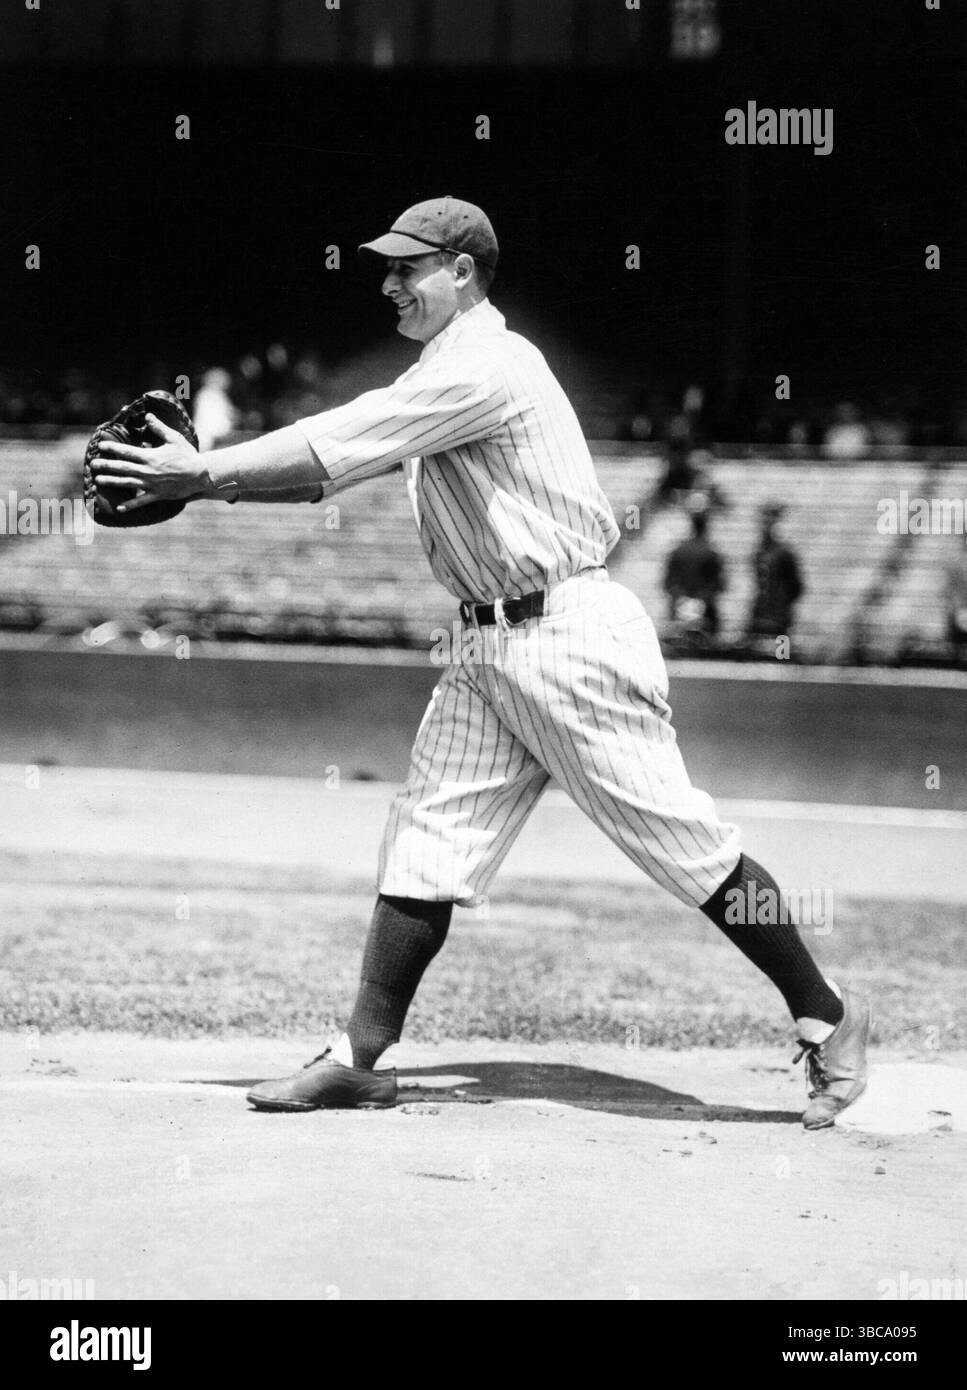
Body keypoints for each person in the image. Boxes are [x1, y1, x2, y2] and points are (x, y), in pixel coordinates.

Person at [93, 196, 869, 1129]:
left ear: (461, 272)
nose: (386, 282)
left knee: (683, 847)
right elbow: (326, 473)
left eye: (406, 267)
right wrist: (213, 486)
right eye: (384, 267)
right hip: (483, 643)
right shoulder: (444, 370)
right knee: (426, 839)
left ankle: (828, 1017)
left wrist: (204, 472)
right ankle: (358, 1059)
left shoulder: (488, 365)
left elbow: (338, 437)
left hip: (565, 635)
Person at [662, 493, 726, 641]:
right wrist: (699, 603)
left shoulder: (679, 550)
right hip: (704, 617)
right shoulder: (711, 552)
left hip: (681, 612)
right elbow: (719, 585)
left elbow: (669, 583)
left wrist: (683, 601)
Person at [746, 502, 805, 647]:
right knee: (756, 655)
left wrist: (782, 601)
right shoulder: (759, 552)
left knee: (781, 655)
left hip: (779, 614)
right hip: (760, 612)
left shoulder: (784, 553)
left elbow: (796, 586)